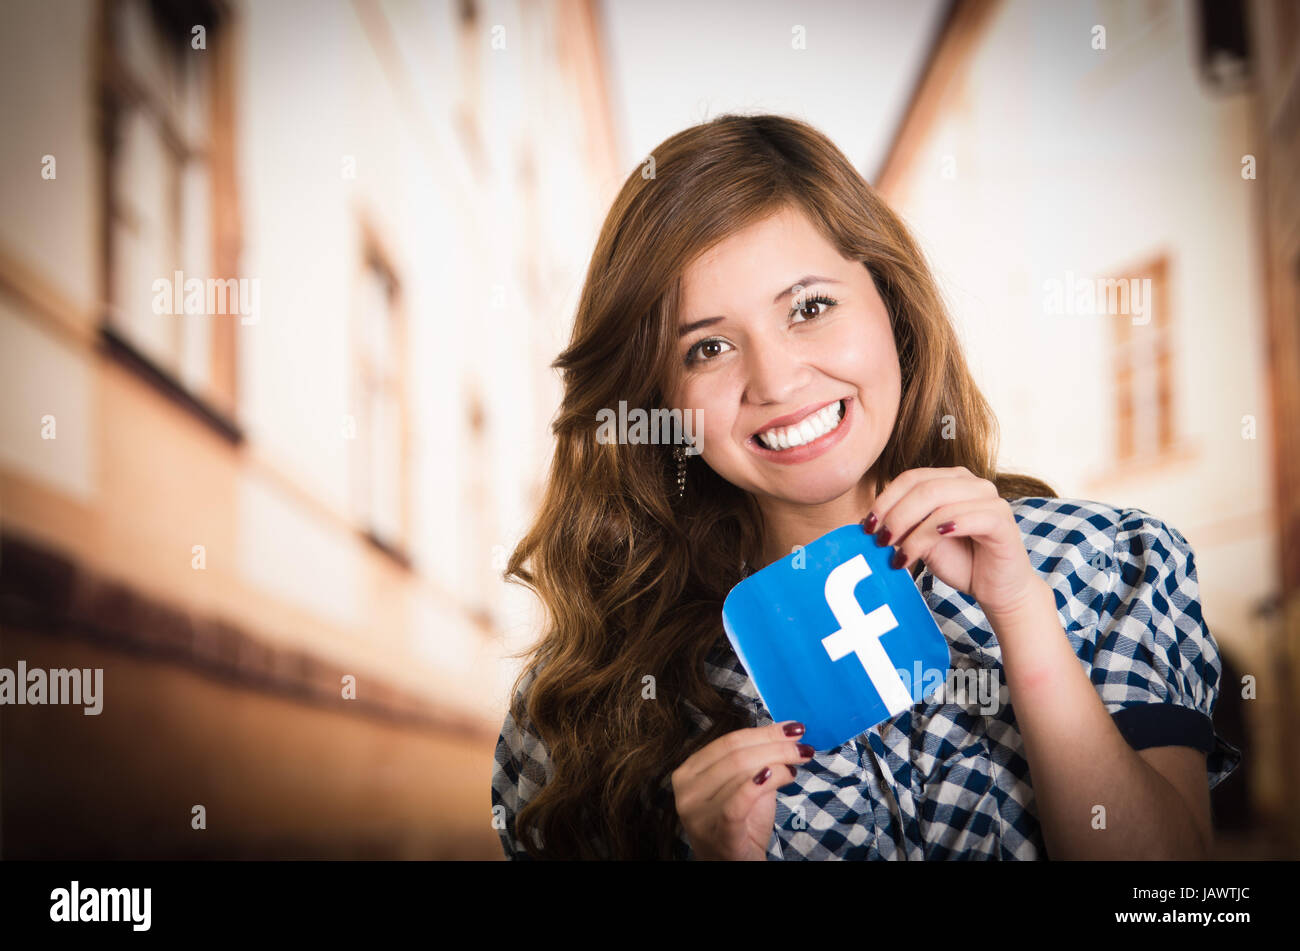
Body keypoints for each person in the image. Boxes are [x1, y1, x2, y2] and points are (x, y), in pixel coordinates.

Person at [490, 113, 1242, 860]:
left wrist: (1021, 615)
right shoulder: (577, 708)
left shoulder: (1107, 562)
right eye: (708, 347)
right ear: (658, 397)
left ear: (891, 303)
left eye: (810, 307)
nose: (778, 380)